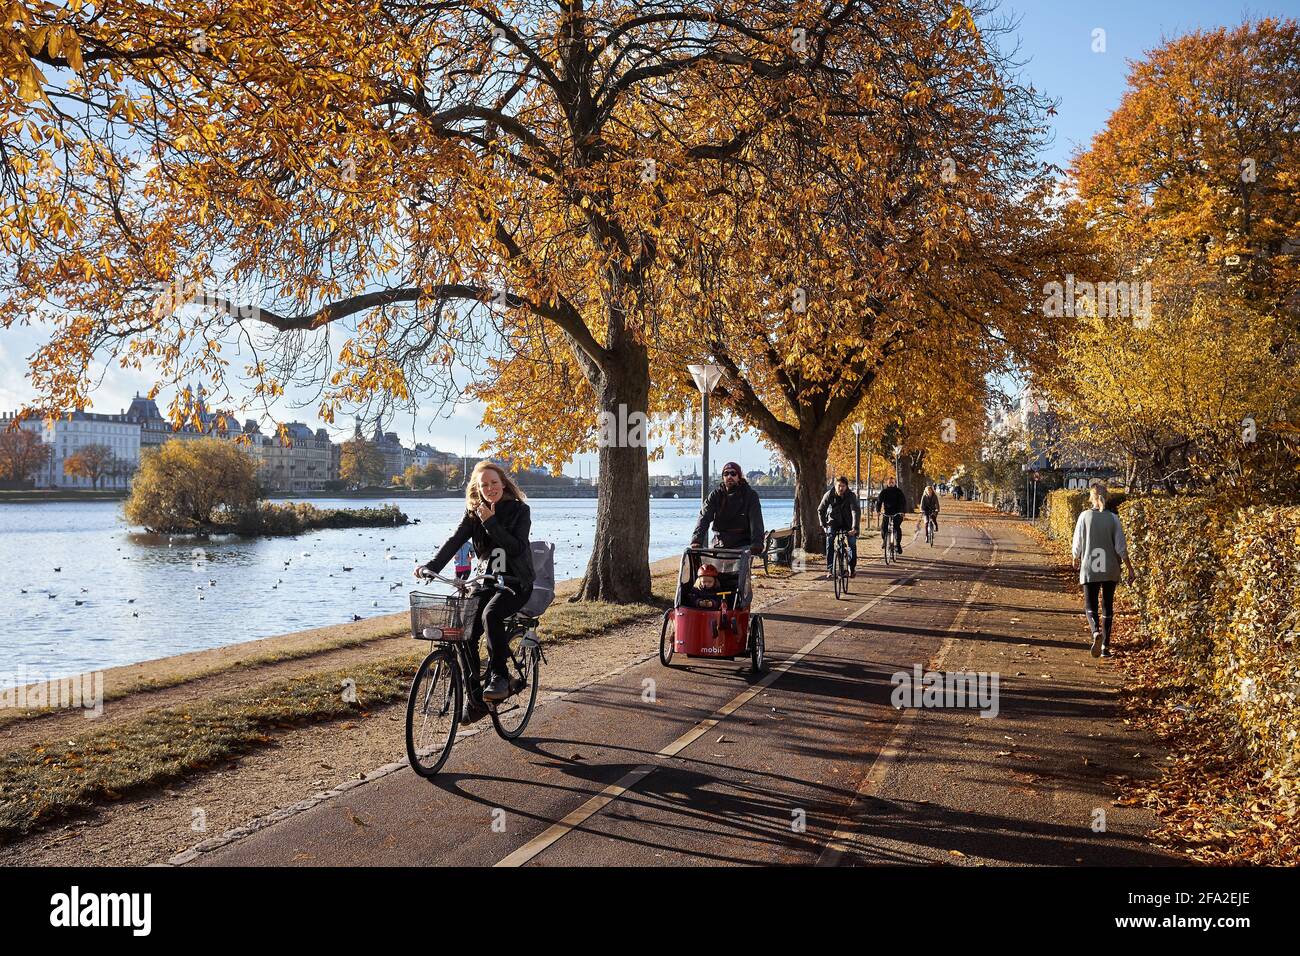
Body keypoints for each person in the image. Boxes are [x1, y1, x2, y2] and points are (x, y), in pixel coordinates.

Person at [415, 461, 535, 714]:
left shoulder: (519, 511)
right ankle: (476, 700)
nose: (490, 488)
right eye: (484, 485)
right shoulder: (474, 514)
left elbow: (516, 548)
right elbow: (454, 541)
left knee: (491, 614)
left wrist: (491, 522)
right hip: (485, 582)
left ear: (503, 483)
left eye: (493, 483)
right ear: (476, 489)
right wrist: (431, 566)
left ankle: (500, 677)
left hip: (515, 583)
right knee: (464, 631)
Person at [1071, 482, 1136, 658]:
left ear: (1091, 497)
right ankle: (1105, 647)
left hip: (1090, 566)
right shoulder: (1113, 518)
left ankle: (1095, 632)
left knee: (1090, 604)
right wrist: (1130, 568)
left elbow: (1077, 542)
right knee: (1108, 606)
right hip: (1109, 567)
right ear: (1106, 497)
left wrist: (1075, 557)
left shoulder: (1084, 516)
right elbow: (1121, 546)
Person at [691, 461, 765, 555]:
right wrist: (696, 540)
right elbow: (704, 517)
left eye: (733, 473)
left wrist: (757, 544)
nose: (729, 476)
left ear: (739, 476)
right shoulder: (715, 495)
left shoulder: (750, 495)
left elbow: (756, 521)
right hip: (719, 543)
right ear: (723, 477)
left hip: (742, 544)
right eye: (726, 474)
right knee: (709, 568)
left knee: (740, 569)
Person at [817, 476, 861, 578]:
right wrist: (824, 526)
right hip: (833, 522)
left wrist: (854, 528)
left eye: (843, 486)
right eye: (839, 486)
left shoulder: (851, 496)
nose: (841, 488)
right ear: (835, 486)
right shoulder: (829, 495)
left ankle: (852, 567)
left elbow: (855, 511)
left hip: (848, 523)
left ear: (846, 487)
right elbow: (821, 510)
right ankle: (830, 569)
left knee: (852, 543)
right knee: (830, 540)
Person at [875, 475, 908, 554]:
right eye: (890, 482)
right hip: (887, 513)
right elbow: (879, 501)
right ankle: (884, 541)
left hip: (897, 513)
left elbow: (903, 502)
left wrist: (903, 512)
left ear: (895, 483)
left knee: (897, 528)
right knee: (883, 528)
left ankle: (898, 545)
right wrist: (878, 511)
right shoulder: (884, 492)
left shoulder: (899, 491)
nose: (891, 484)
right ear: (887, 483)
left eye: (892, 482)